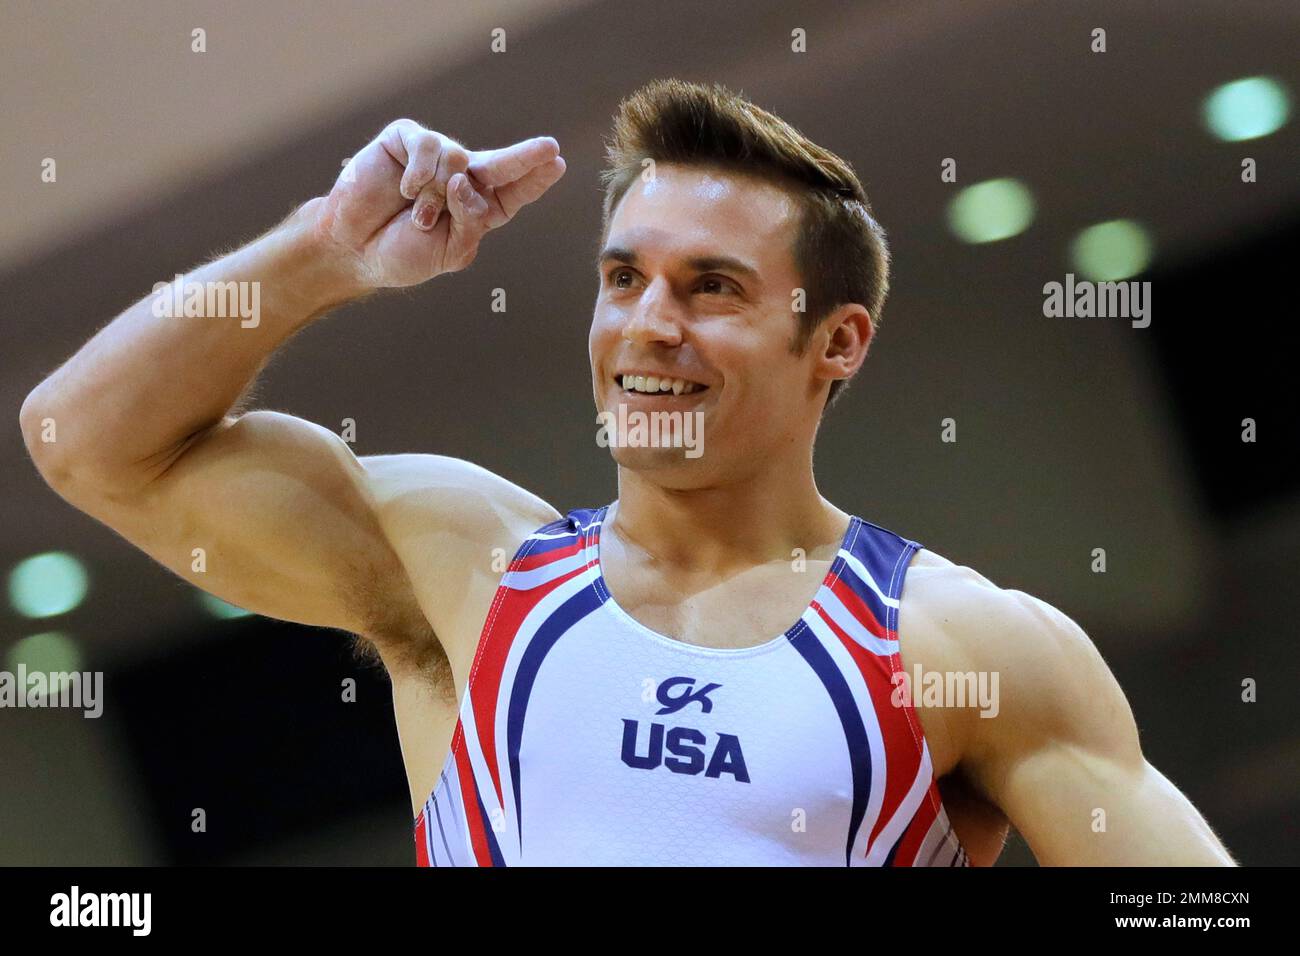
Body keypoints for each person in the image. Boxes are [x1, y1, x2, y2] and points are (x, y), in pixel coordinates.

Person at [20, 78, 1234, 866]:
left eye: (712, 286)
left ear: (836, 343)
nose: (648, 323)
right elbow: (82, 439)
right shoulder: (471, 570)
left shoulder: (962, 648)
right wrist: (324, 252)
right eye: (622, 278)